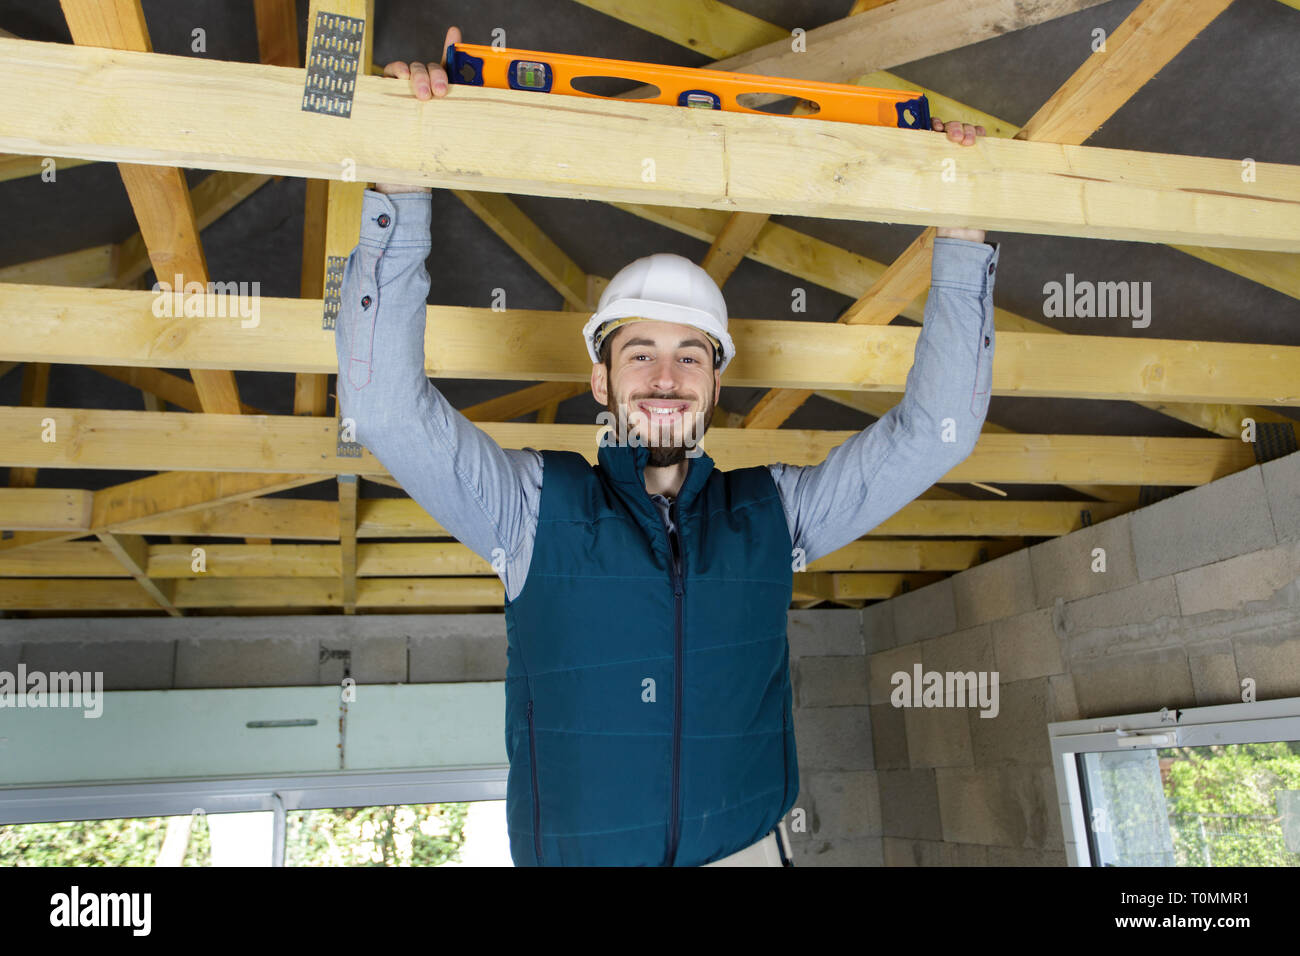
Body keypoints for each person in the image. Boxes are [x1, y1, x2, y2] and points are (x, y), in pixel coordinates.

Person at [334, 27, 996, 867]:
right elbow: (385, 409)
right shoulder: (530, 509)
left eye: (691, 356)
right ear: (602, 382)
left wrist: (964, 232)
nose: (666, 376)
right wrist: (401, 179)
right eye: (638, 353)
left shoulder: (775, 514)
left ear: (716, 386)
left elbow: (936, 434)